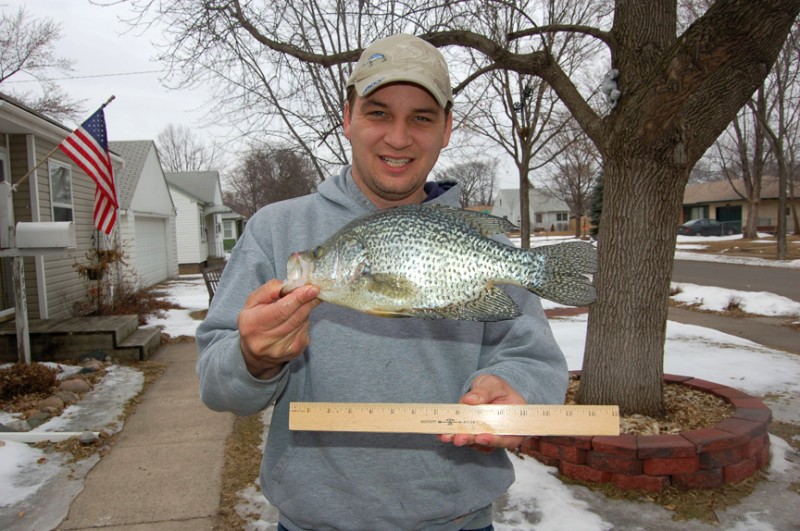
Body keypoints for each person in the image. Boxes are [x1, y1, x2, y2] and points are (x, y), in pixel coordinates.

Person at [196, 33, 568, 531]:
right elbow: (220, 388)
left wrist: (516, 389)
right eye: (378, 113)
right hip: (312, 520)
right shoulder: (275, 230)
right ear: (347, 117)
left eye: (421, 117)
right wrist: (253, 358)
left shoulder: (470, 239)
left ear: (447, 128)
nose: (398, 137)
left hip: (457, 519)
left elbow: (533, 359)